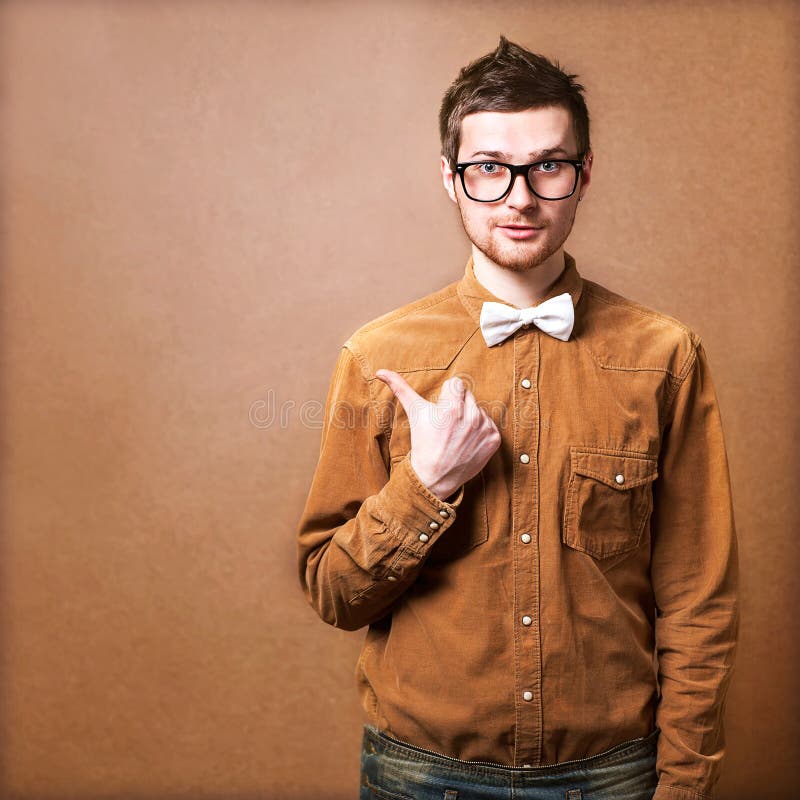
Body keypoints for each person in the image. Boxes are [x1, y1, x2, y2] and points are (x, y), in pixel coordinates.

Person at [296, 36, 739, 800]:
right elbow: (335, 593)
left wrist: (685, 784)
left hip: (612, 779)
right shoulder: (377, 357)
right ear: (450, 177)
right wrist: (425, 486)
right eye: (489, 169)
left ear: (584, 173)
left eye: (549, 167)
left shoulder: (666, 357)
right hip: (418, 777)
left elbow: (700, 600)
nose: (520, 198)